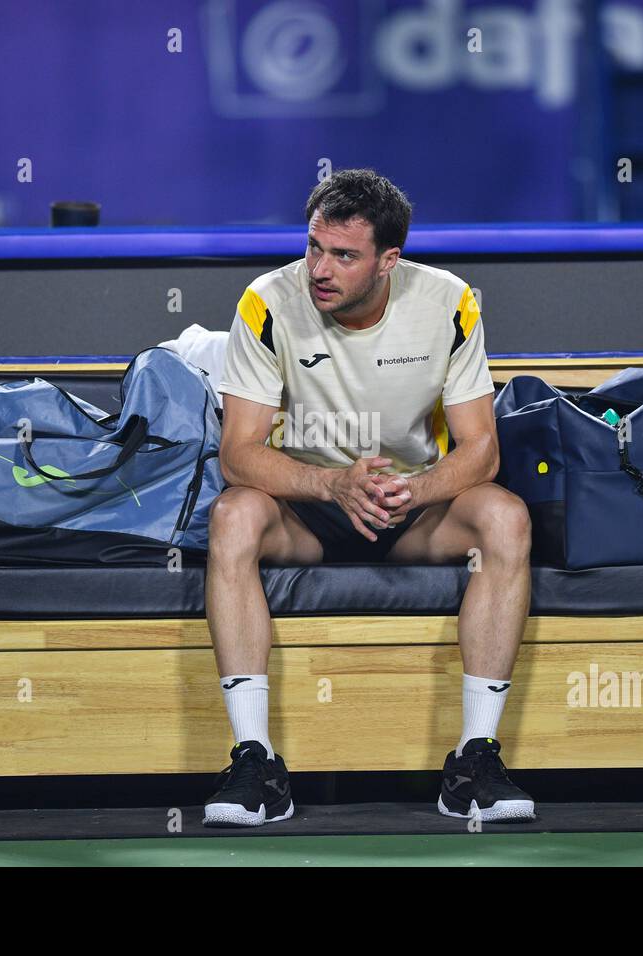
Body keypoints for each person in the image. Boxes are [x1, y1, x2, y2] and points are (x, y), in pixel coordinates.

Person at [203, 169, 534, 826]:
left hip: (414, 514)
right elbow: (238, 452)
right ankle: (254, 762)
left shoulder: (450, 303)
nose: (320, 269)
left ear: (389, 260)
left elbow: (481, 450)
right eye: (314, 248)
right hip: (305, 514)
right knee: (232, 515)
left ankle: (474, 761)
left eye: (344, 255)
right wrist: (331, 483)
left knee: (505, 515)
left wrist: (412, 491)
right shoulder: (264, 303)